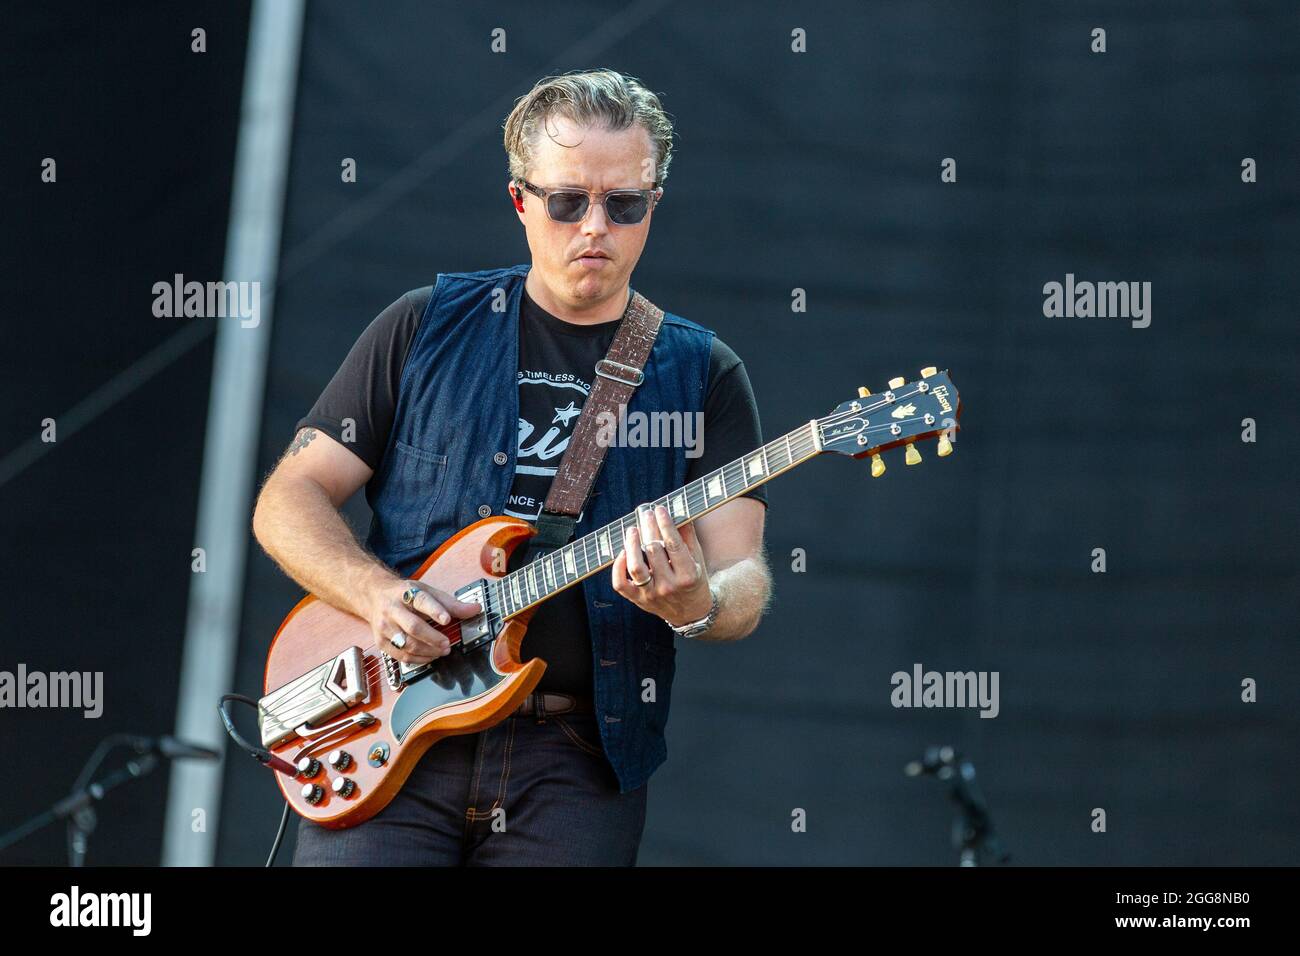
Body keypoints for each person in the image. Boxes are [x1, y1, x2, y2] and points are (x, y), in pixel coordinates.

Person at [252, 68, 772, 866]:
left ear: (653, 206)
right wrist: (375, 593)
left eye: (623, 204)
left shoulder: (703, 372)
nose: (593, 226)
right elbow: (289, 498)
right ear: (521, 200)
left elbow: (744, 578)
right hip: (390, 731)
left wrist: (696, 602)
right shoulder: (423, 326)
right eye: (568, 201)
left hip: (576, 763)